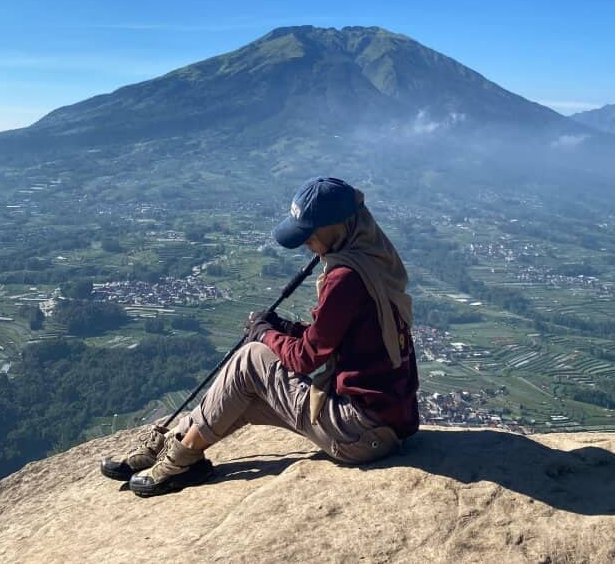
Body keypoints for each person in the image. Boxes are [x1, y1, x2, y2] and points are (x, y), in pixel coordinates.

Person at [100, 176, 419, 496]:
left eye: (310, 234)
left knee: (251, 359)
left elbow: (305, 359)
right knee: (241, 398)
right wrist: (282, 327)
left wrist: (264, 334)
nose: (306, 243)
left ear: (337, 226)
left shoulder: (346, 277)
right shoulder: (375, 261)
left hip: (360, 432)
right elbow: (334, 337)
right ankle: (178, 443)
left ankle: (181, 460)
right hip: (382, 425)